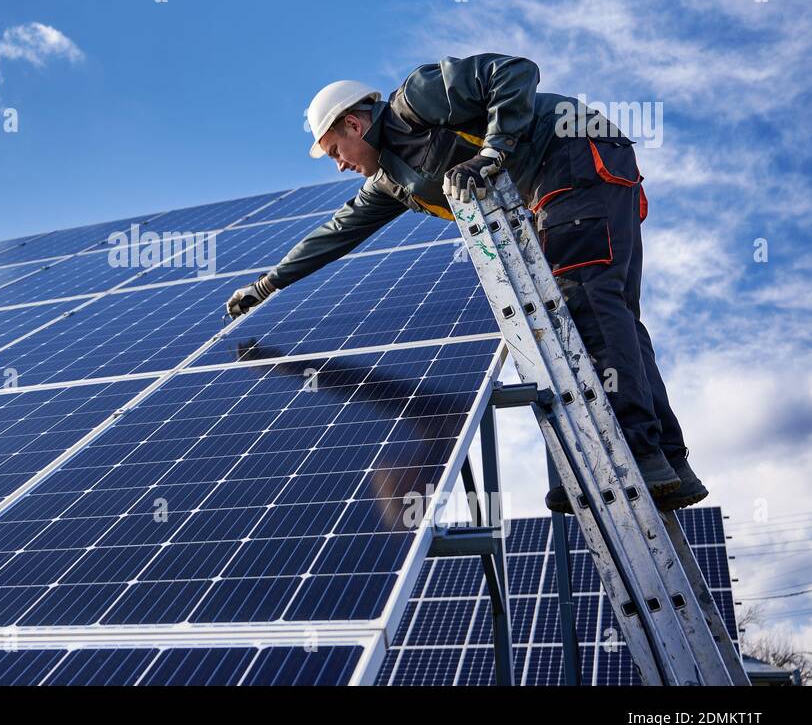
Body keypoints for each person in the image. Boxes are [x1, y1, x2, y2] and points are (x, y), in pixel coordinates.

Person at [225, 54, 703, 512]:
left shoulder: (417, 99)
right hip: (560, 186)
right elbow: (336, 232)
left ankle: (633, 458)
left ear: (354, 123)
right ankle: (666, 460)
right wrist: (266, 285)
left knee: (584, 303)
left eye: (335, 151)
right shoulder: (391, 181)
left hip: (573, 153)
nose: (339, 164)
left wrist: (493, 152)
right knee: (608, 308)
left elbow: (514, 71)